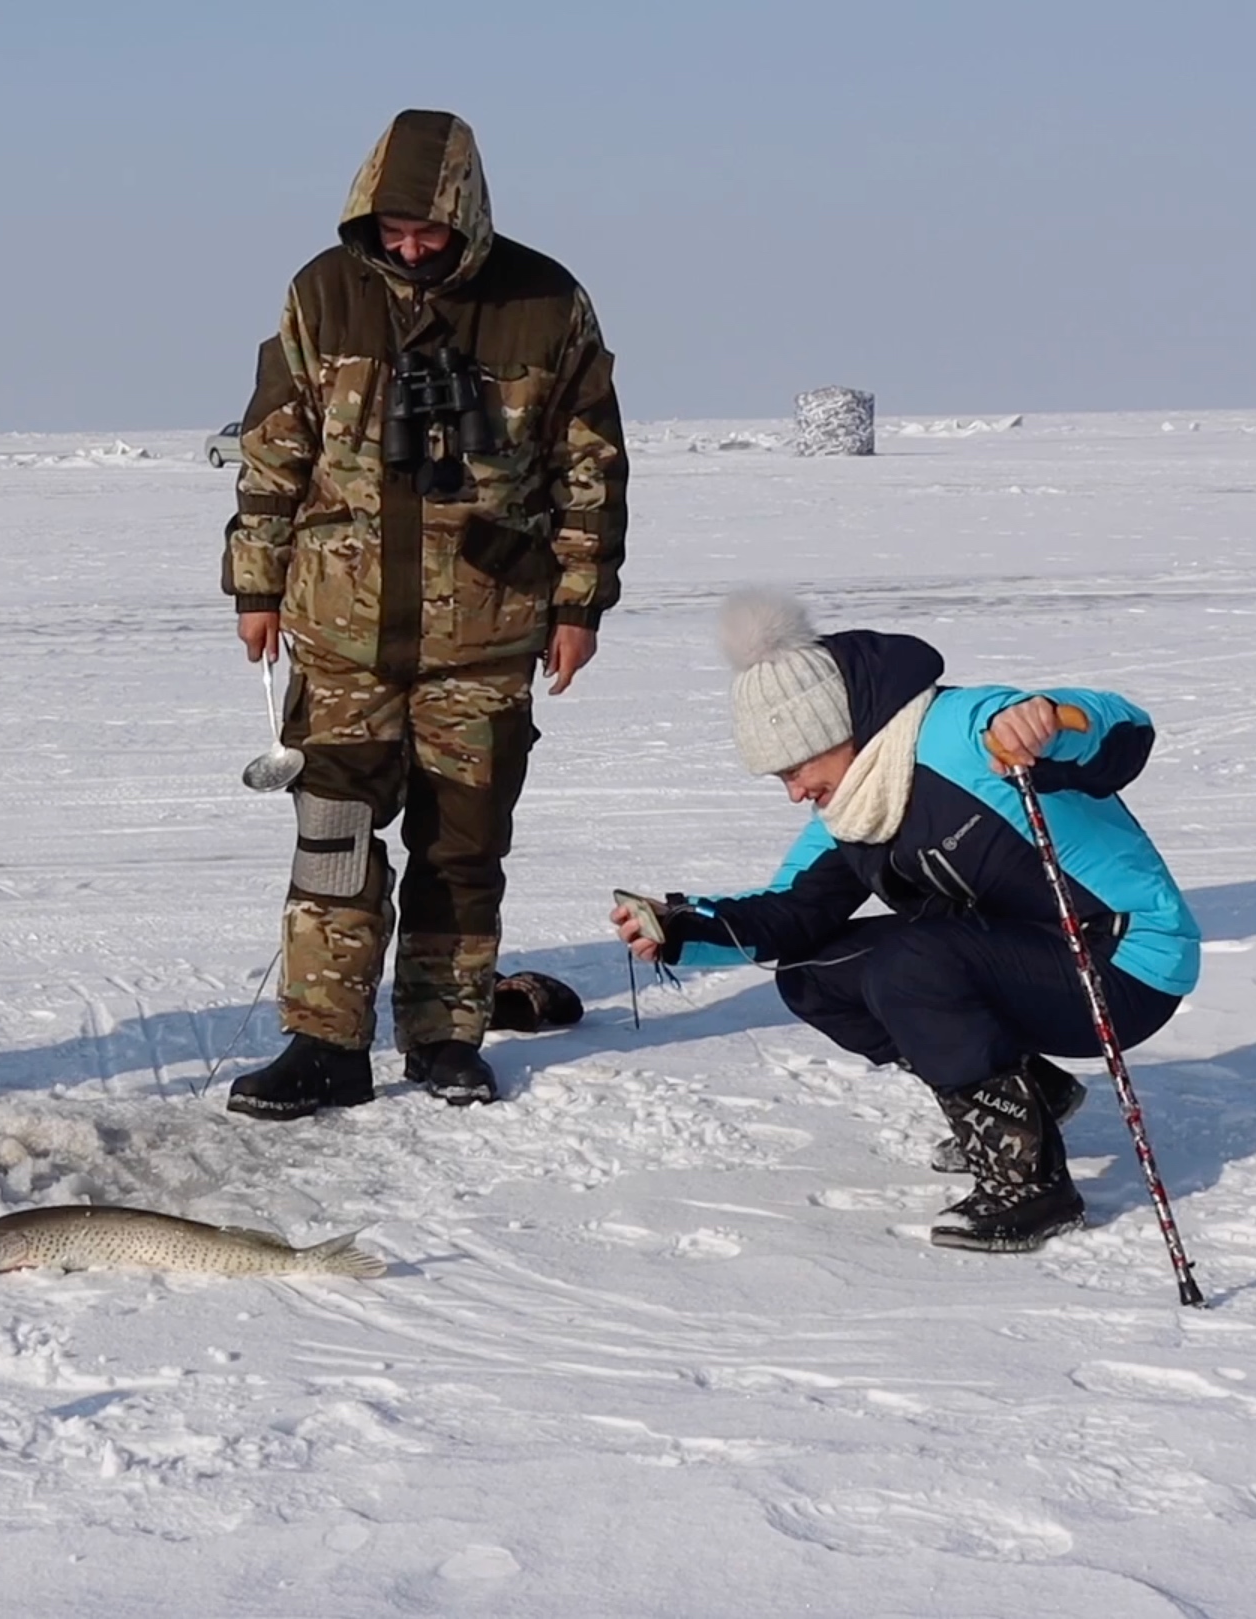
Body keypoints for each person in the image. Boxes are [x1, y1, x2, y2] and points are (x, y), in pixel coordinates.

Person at [221, 109, 627, 1119]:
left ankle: (444, 1036)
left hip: (483, 631)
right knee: (333, 836)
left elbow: (590, 470)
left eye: (428, 234)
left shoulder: (544, 302)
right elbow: (274, 447)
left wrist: (577, 603)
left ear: (467, 219)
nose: (408, 250)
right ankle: (323, 1041)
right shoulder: (324, 291)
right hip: (338, 627)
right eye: (391, 232)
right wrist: (256, 585)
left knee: (460, 842)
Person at [614, 592, 1201, 1252]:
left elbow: (1123, 733)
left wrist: (1049, 720)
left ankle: (1028, 1184)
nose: (793, 791)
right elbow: (791, 913)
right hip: (1015, 962)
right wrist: (680, 928)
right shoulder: (855, 809)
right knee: (814, 973)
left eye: (794, 767)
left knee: (914, 963)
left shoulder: (961, 731)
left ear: (831, 732)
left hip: (1121, 963)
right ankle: (1027, 1096)